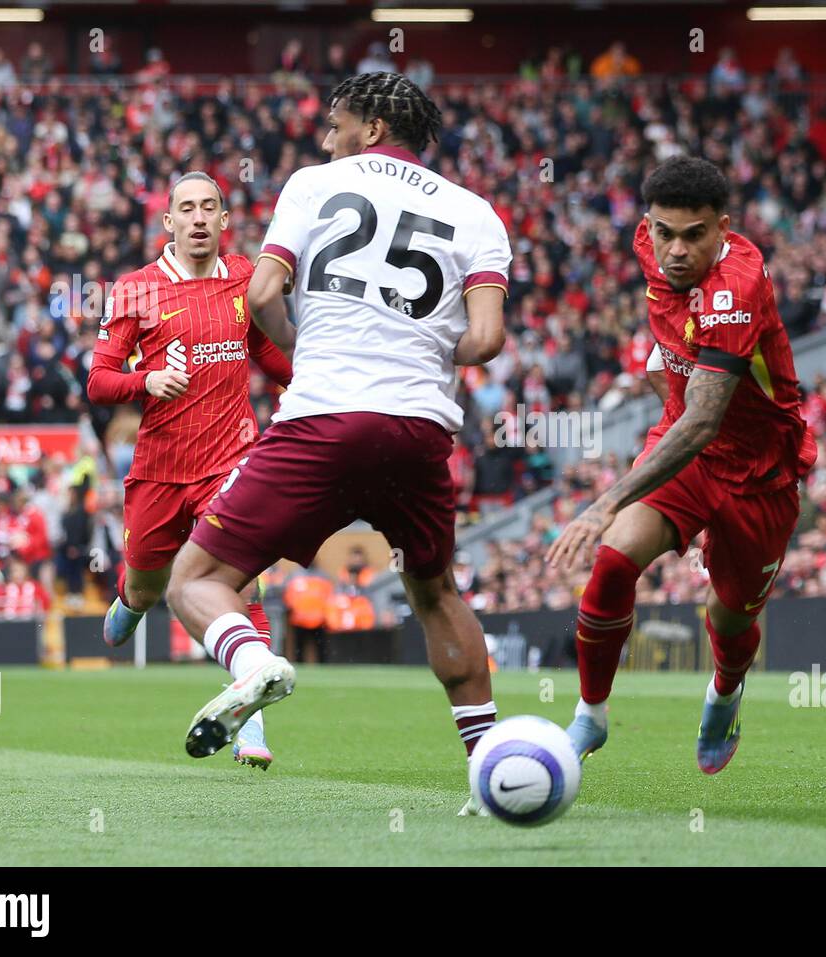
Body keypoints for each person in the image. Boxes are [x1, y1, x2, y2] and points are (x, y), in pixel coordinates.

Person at [165, 73, 511, 816]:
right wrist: (415, 346)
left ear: (374, 126)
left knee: (194, 577)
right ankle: (491, 773)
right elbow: (485, 340)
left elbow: (260, 297)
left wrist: (310, 347)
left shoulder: (313, 184)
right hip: (418, 428)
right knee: (435, 590)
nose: (326, 138)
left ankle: (256, 664)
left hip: (321, 417)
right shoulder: (478, 212)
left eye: (336, 123)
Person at [547, 156, 816, 775]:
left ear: (722, 228)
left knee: (730, 614)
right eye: (664, 232)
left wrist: (603, 501)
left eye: (695, 235)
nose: (675, 249)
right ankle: (591, 715)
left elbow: (702, 422)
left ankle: (724, 691)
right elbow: (681, 400)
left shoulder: (736, 291)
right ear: (647, 225)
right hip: (685, 445)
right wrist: (661, 370)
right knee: (614, 558)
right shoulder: (651, 243)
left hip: (757, 471)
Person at [87, 171, 293, 769]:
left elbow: (266, 351)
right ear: (168, 222)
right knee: (148, 586)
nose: (199, 217)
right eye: (187, 208)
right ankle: (129, 602)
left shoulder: (246, 278)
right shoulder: (136, 290)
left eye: (210, 207)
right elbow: (98, 380)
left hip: (231, 462)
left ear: (225, 220)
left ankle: (250, 728)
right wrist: (145, 380)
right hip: (158, 470)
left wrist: (309, 381)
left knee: (236, 583)